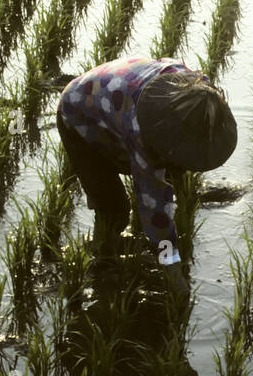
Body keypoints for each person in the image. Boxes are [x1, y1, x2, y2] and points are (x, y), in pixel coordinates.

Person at [56, 56, 237, 300]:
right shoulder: (142, 131)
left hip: (117, 100)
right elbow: (155, 207)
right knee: (112, 206)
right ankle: (104, 260)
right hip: (79, 116)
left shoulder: (201, 94)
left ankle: (128, 238)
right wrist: (172, 268)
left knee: (169, 170)